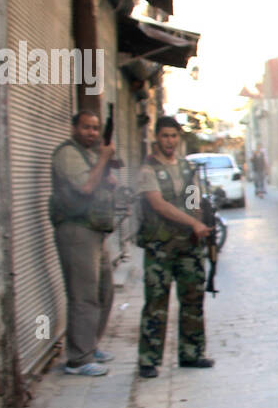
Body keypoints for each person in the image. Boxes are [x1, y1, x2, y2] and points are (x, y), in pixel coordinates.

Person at [135, 116, 213, 378]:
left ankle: (192, 353)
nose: (169, 141)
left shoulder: (185, 168)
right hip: (160, 246)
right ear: (157, 137)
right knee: (157, 301)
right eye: (165, 135)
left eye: (174, 136)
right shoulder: (148, 169)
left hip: (188, 245)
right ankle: (149, 358)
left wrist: (202, 225)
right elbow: (158, 205)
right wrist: (193, 222)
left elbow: (193, 201)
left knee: (193, 299)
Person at [49, 110, 119, 377]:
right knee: (83, 295)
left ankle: (90, 345)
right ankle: (78, 358)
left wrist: (107, 176)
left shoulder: (89, 154)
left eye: (95, 128)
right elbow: (86, 187)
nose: (91, 132)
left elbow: (99, 184)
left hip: (94, 229)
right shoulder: (67, 154)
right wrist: (103, 159)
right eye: (86, 128)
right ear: (73, 128)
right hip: (76, 229)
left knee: (104, 290)